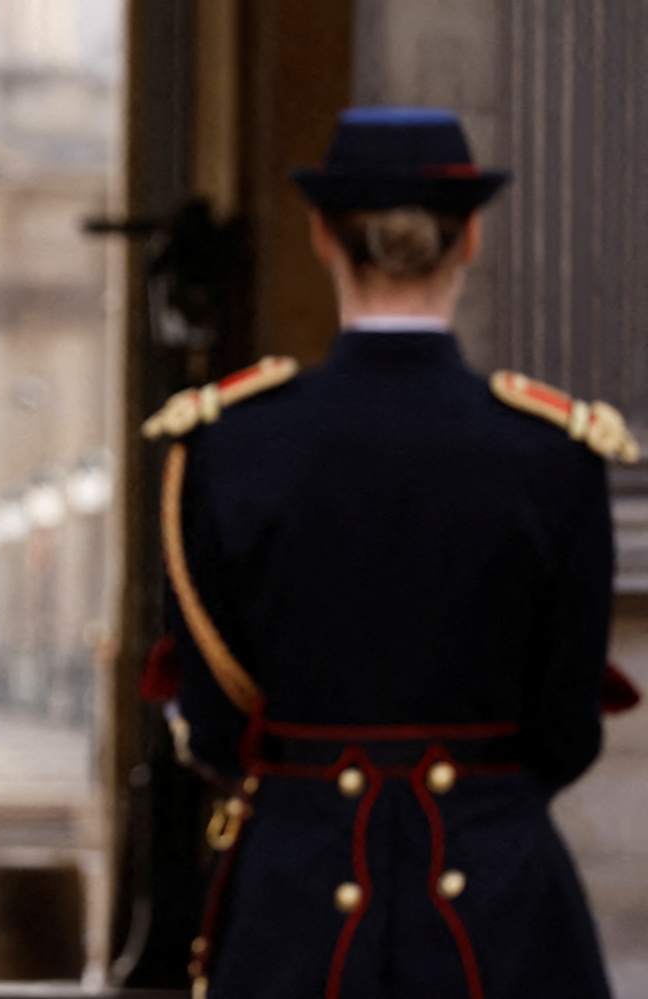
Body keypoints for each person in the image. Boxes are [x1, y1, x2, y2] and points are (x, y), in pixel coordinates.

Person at [147, 108, 626, 998]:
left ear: (324, 237)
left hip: (293, 900)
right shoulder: (556, 451)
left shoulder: (226, 446)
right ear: (471, 239)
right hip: (500, 901)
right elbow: (567, 729)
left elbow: (213, 728)